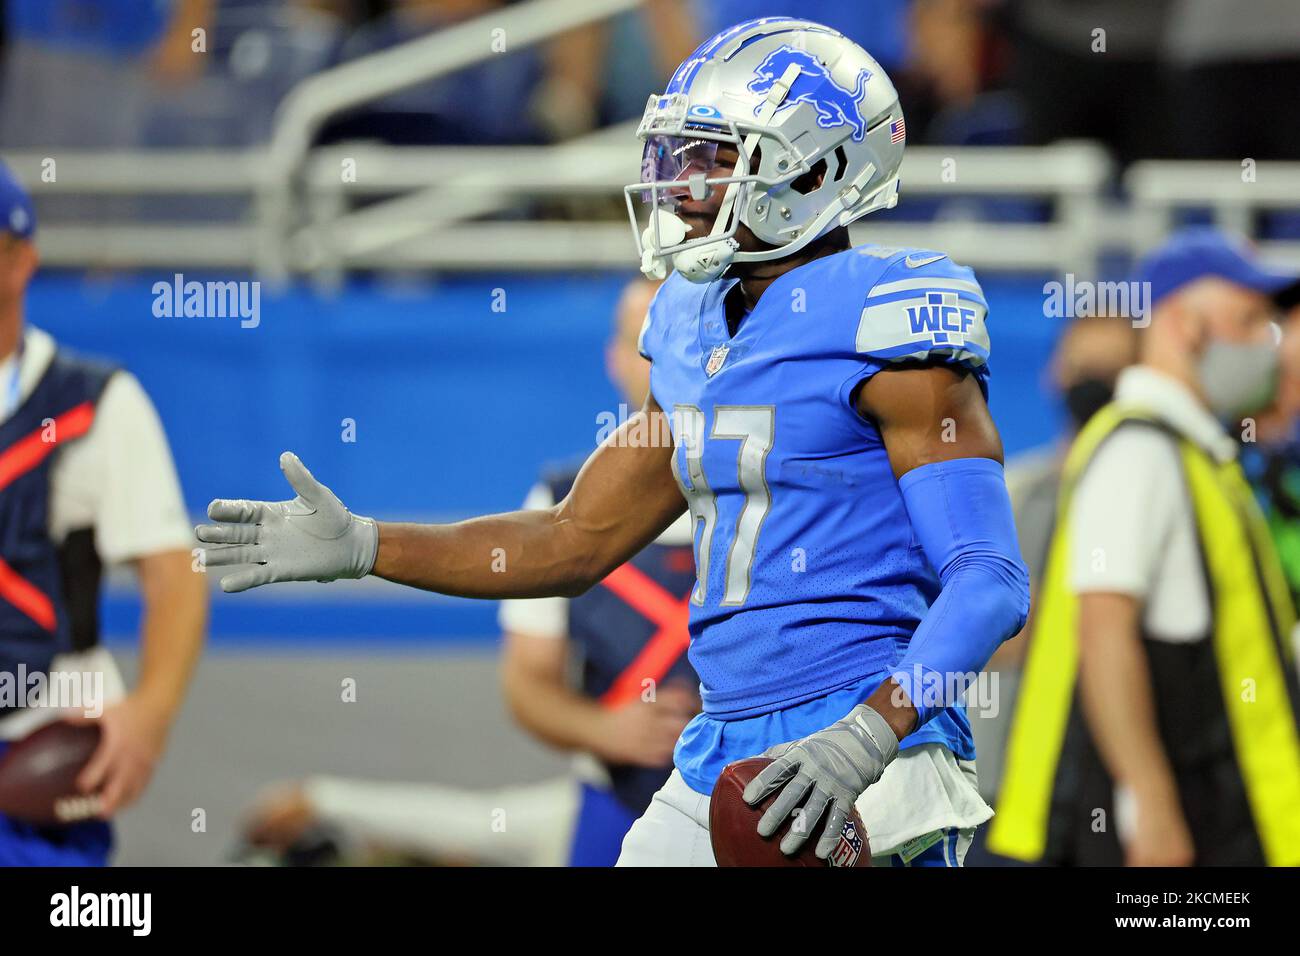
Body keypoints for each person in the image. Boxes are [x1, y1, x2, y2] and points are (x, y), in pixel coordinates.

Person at [198, 18, 1029, 867]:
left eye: (714, 157)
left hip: (861, 740)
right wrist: (370, 544)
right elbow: (571, 538)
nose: (680, 183)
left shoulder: (888, 321)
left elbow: (991, 582)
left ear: (814, 172)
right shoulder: (693, 321)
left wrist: (867, 737)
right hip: (722, 743)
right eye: (679, 155)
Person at [241, 278, 701, 867]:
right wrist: (367, 544)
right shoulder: (567, 502)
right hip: (618, 800)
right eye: (647, 340)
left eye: (680, 335)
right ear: (615, 360)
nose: (661, 358)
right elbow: (550, 574)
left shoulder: (794, 488)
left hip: (772, 796)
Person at [990, 228, 1300, 866]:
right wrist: (1151, 808)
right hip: (1163, 833)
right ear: (1187, 328)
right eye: (1250, 321)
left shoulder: (1193, 456)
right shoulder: (1141, 451)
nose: (1266, 346)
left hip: (1218, 820)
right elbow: (1104, 631)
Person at [0, 161, 207, 865]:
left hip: (36, 744)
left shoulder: (95, 405)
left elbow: (174, 578)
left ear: (22, 259)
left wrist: (149, 713)